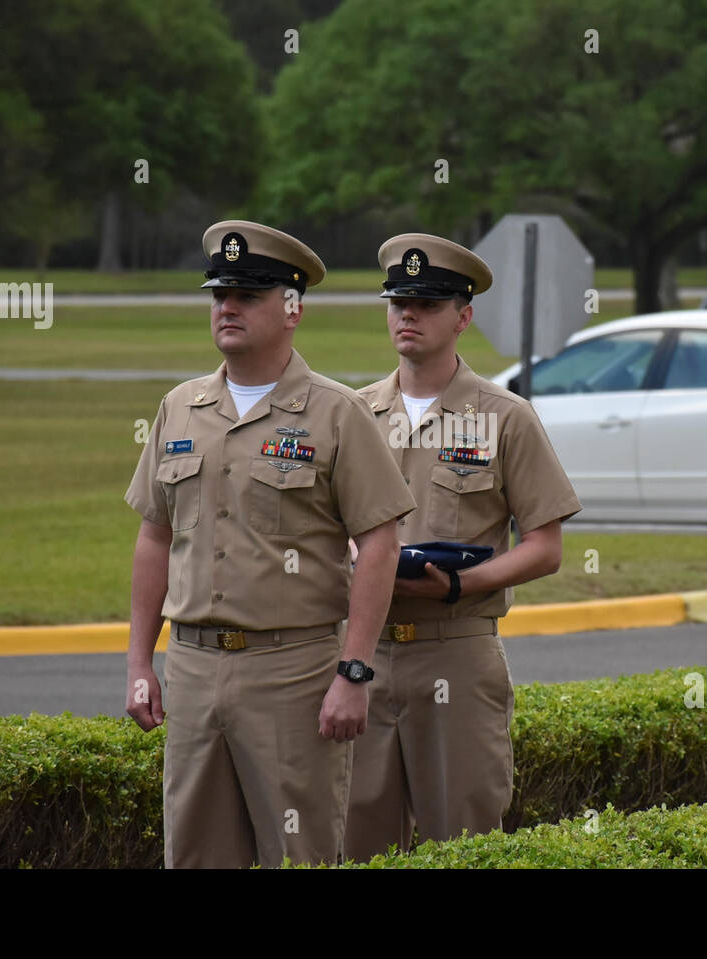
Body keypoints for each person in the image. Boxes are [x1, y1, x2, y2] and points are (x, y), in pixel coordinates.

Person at [123, 220, 414, 868]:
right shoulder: (179, 408)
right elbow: (154, 534)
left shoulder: (336, 412)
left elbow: (381, 541)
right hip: (194, 668)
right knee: (195, 855)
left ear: (291, 309)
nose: (226, 306)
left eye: (247, 295)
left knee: (299, 854)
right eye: (219, 294)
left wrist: (355, 670)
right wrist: (140, 661)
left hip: (294, 674)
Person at [344, 233, 582, 859]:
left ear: (463, 316)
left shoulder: (505, 417)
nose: (408, 316)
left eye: (426, 303)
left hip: (455, 653)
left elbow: (546, 546)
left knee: (465, 846)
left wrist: (459, 583)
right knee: (358, 844)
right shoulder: (353, 414)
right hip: (360, 657)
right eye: (398, 303)